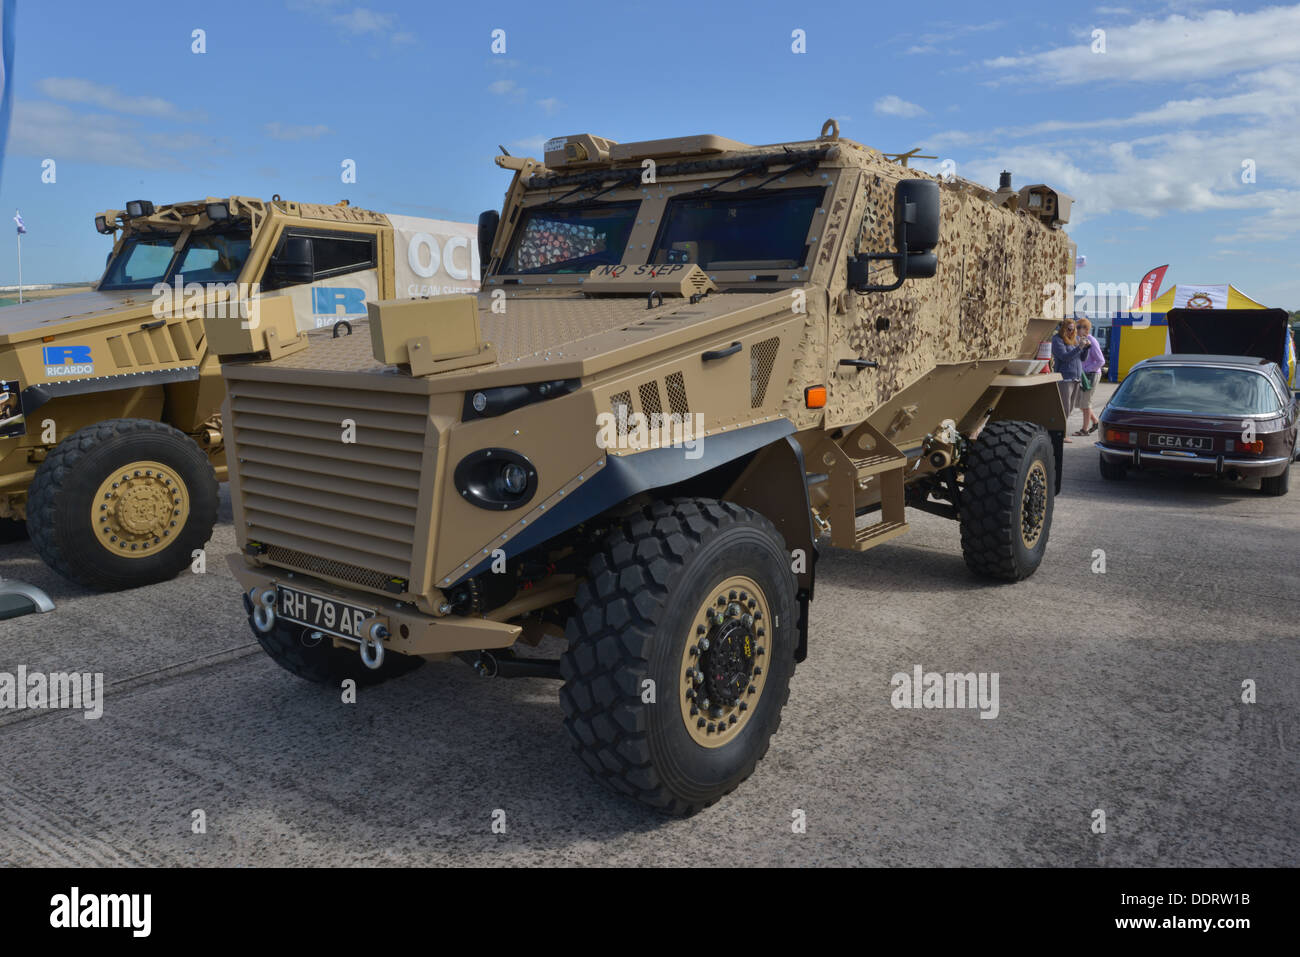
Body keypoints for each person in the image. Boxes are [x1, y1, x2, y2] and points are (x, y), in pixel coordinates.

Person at [1051, 319, 1087, 442]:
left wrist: (1086, 348)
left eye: (1073, 329)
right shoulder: (1057, 340)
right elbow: (1065, 357)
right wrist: (1079, 348)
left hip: (1076, 378)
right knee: (1064, 408)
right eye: (1069, 329)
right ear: (1063, 329)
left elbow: (1082, 358)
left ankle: (1060, 433)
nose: (1071, 331)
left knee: (1070, 408)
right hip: (1065, 378)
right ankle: (1061, 435)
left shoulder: (1074, 340)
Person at [1075, 318, 1106, 436]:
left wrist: (1086, 370)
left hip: (1092, 375)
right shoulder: (1079, 339)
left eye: (1079, 327)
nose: (1076, 330)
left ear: (1086, 329)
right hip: (1084, 374)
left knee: (1085, 402)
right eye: (1076, 327)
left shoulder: (1092, 340)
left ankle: (1084, 430)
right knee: (1081, 403)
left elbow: (1101, 361)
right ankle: (1095, 422)